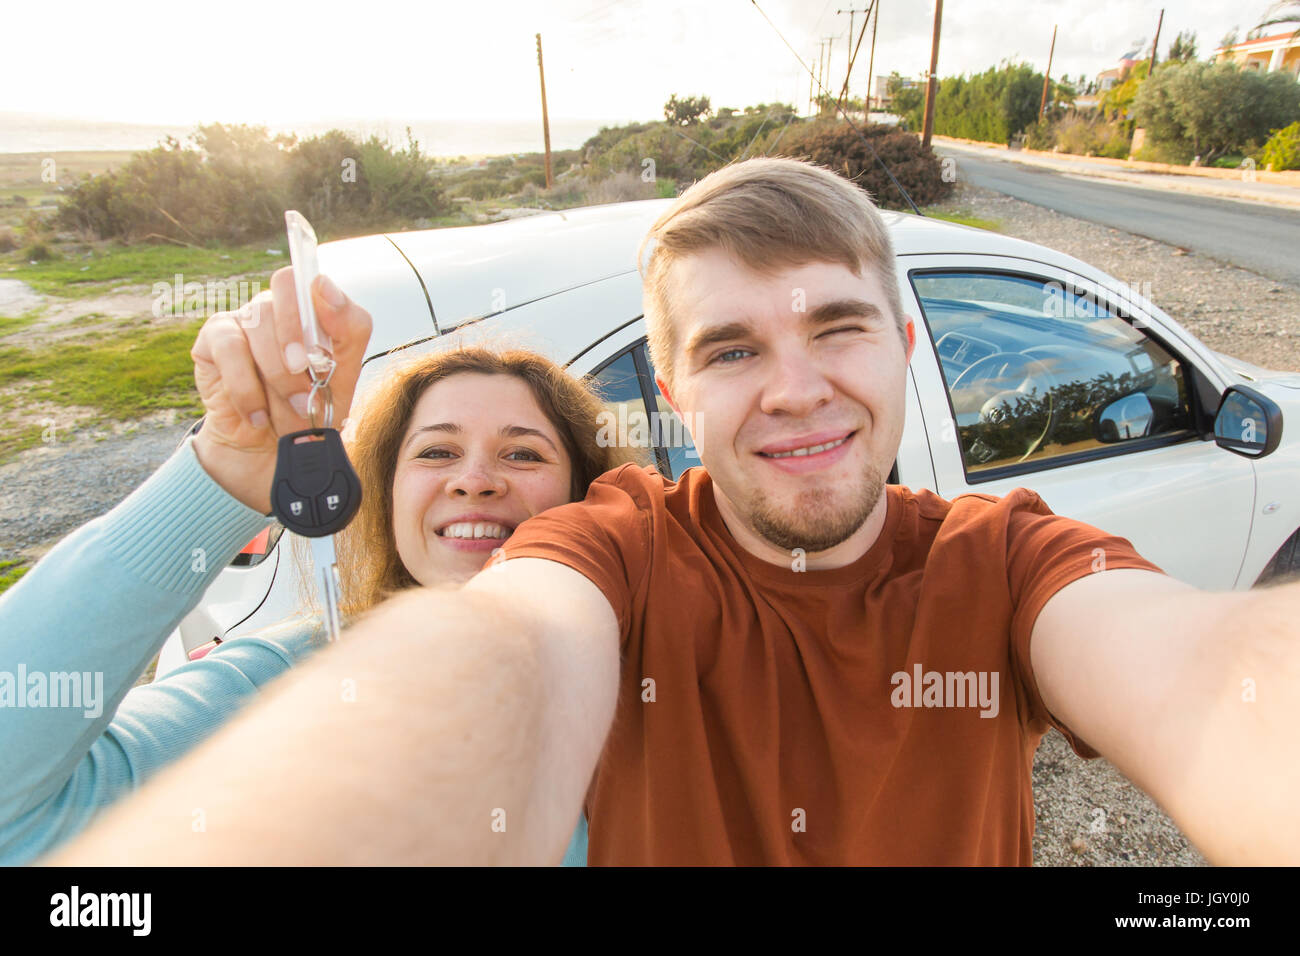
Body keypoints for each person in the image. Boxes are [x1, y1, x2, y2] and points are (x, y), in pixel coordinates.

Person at [51, 157, 1300, 866]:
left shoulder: (1010, 556)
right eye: (733, 347)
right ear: (672, 379)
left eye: (838, 326)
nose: (797, 384)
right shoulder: (613, 549)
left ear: (906, 340)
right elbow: (506, 657)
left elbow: (1195, 675)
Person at [0, 267, 640, 865]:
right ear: (387, 498)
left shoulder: (661, 677)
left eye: (523, 455)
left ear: (586, 493)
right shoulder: (296, 679)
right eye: (437, 451)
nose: (474, 481)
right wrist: (221, 473)